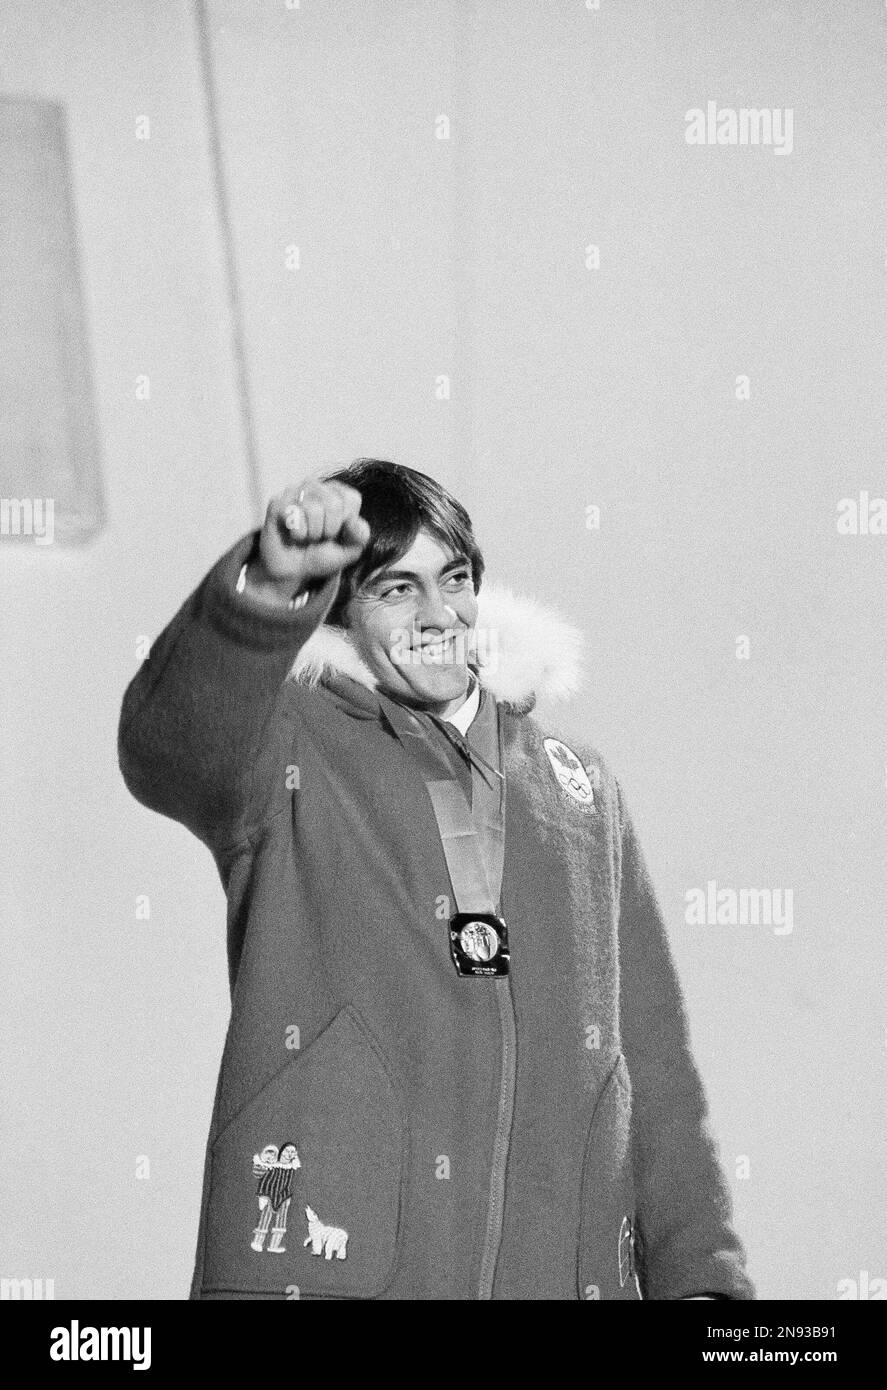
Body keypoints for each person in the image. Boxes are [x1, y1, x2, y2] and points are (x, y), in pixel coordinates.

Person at [117, 458, 755, 1300]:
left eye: (453, 579)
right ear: (341, 609)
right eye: (395, 589)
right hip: (329, 1273)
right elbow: (169, 746)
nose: (438, 614)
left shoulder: (580, 787)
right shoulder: (285, 748)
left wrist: (699, 1277)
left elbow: (654, 1061)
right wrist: (269, 588)